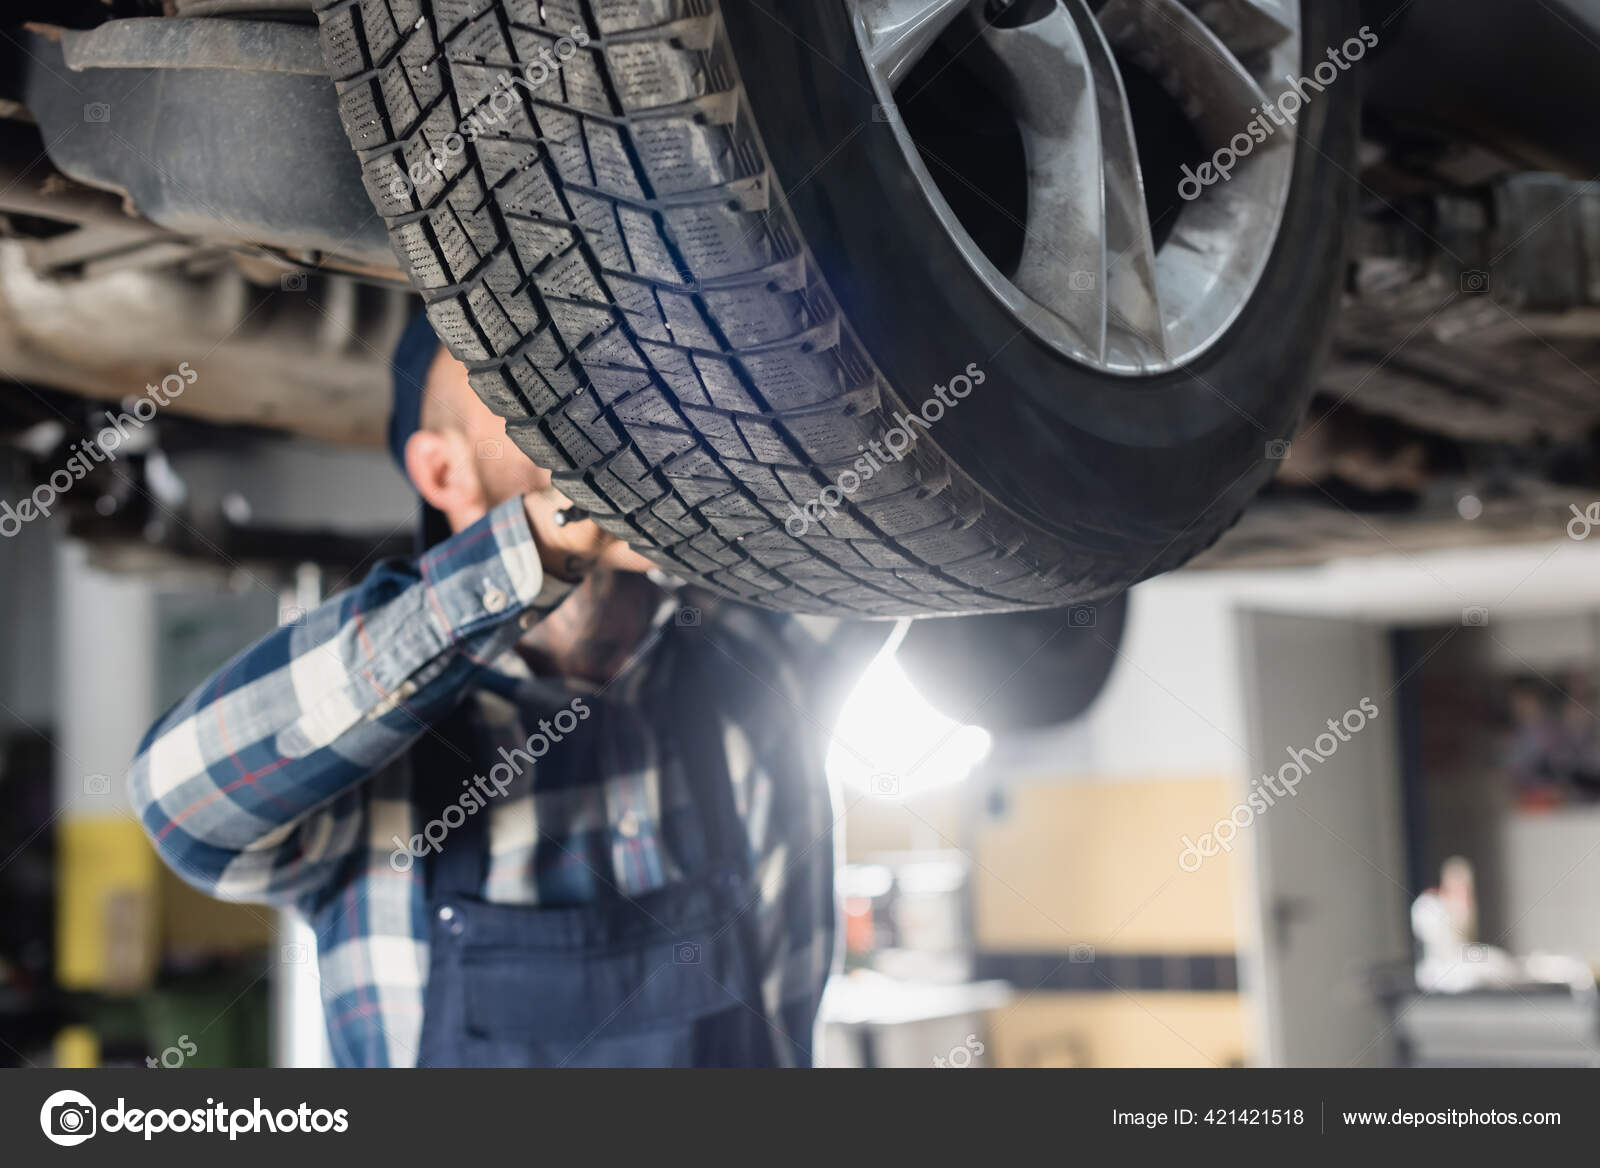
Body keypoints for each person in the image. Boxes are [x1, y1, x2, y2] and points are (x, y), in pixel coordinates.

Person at [126, 315, 882, 1067]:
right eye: (517, 374)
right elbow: (179, 801)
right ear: (443, 472)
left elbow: (927, 492)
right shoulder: (370, 776)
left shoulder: (766, 657)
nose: (581, 404)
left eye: (597, 371)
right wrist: (535, 552)